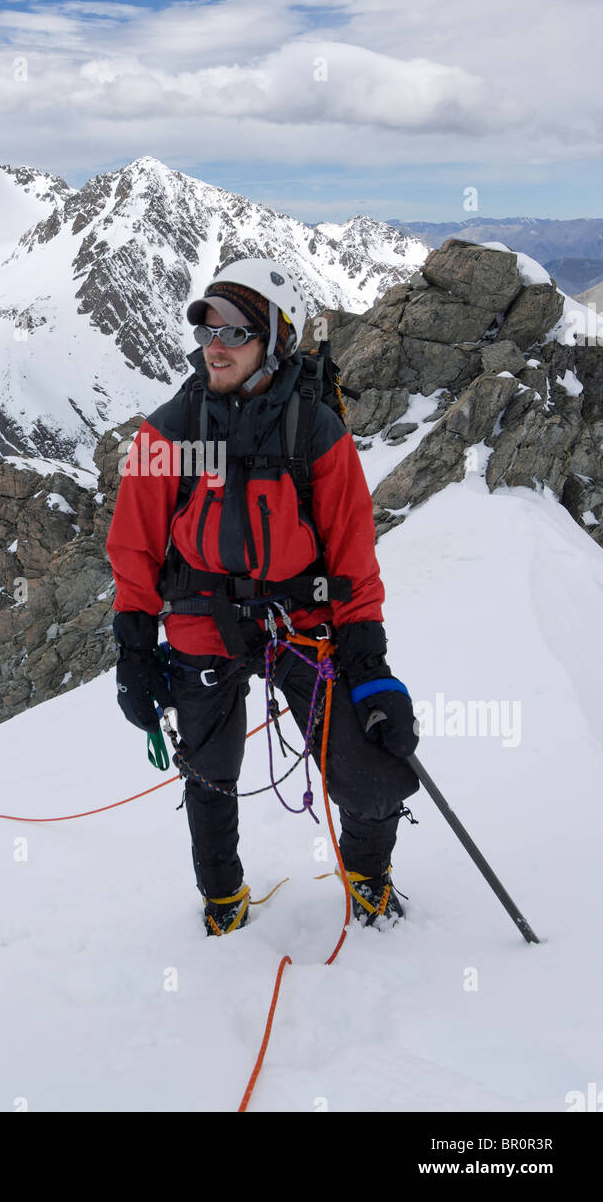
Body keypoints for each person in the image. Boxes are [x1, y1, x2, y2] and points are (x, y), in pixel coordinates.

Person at [106, 258, 420, 935]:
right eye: (206, 328)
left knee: (367, 771)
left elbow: (352, 554)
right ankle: (223, 900)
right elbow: (132, 550)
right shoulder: (167, 434)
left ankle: (367, 877)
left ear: (275, 341)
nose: (212, 345)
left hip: (301, 620)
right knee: (210, 776)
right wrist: (134, 651)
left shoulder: (315, 431)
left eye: (235, 331)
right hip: (200, 624)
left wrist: (369, 665)